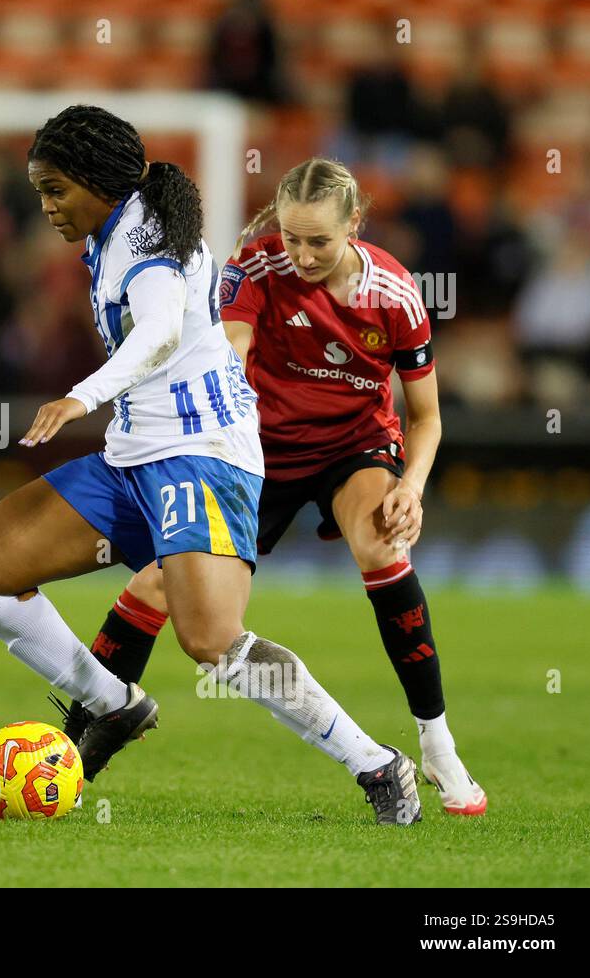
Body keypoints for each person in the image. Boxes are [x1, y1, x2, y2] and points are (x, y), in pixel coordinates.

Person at [0, 108, 421, 826]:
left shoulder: (145, 237)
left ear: (100, 183)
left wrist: (82, 396)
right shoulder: (119, 226)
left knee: (211, 641)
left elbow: (163, 329)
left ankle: (379, 765)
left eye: (56, 190)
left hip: (203, 457)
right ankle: (115, 704)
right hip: (132, 455)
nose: (46, 207)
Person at [64, 157, 486, 816]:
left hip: (354, 448)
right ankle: (75, 753)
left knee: (382, 545)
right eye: (292, 238)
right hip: (256, 450)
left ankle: (437, 745)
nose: (303, 254)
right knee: (153, 585)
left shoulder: (396, 296)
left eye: (318, 240)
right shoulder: (255, 267)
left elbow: (427, 416)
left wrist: (415, 486)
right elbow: (232, 346)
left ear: (355, 224)